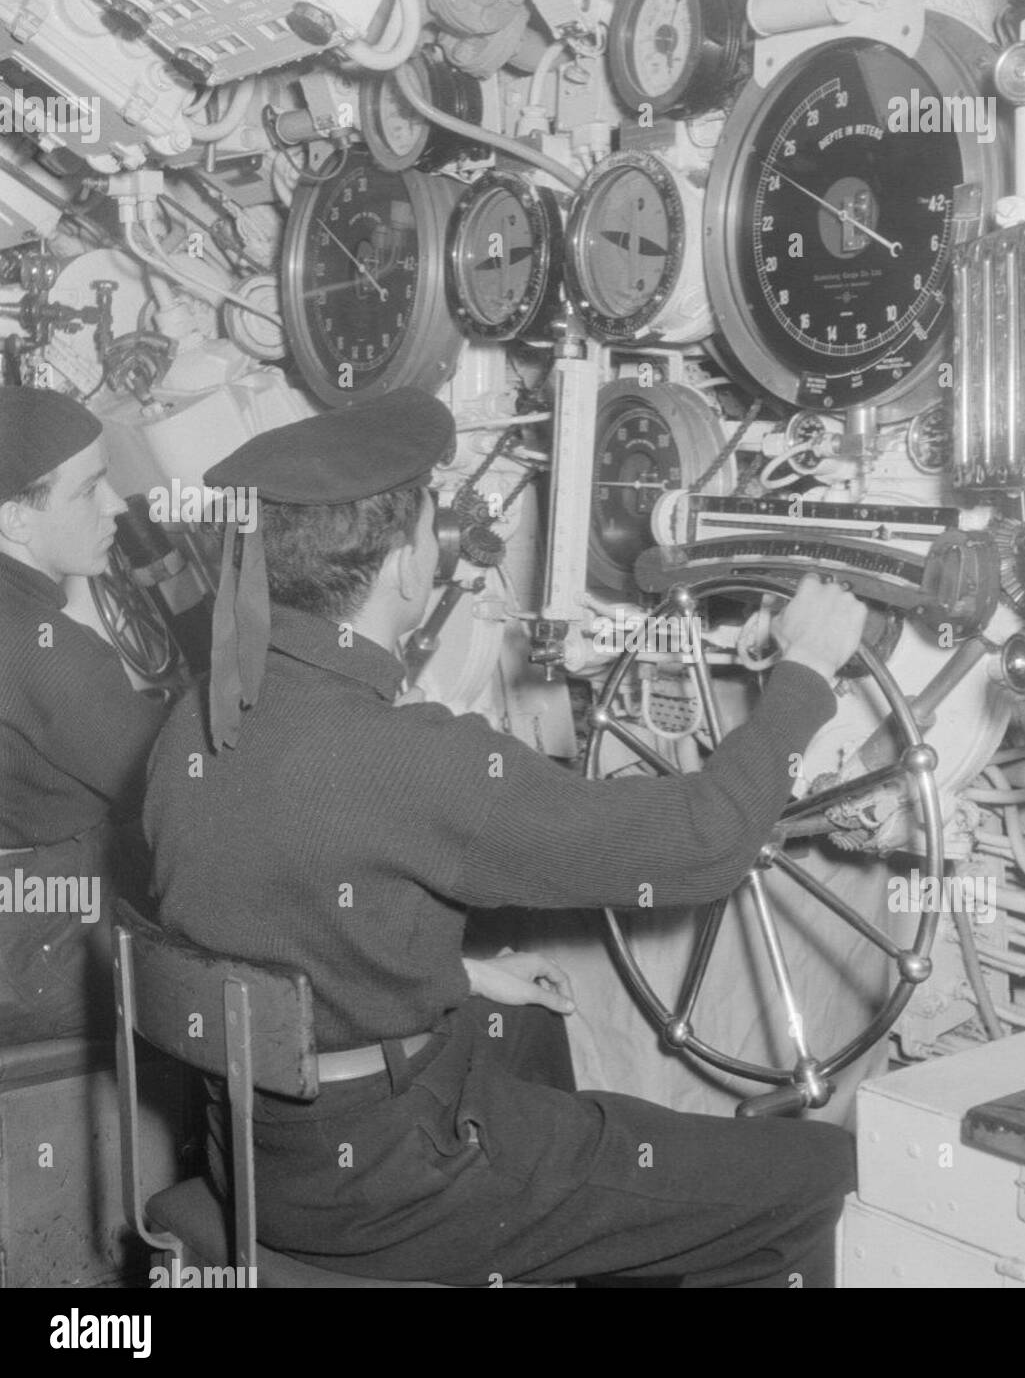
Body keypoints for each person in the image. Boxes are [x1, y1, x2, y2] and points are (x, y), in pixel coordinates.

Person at [144, 387, 864, 1287]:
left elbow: (272, 913)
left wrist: (463, 973)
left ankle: (573, 1230)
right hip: (392, 1184)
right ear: (411, 566)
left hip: (256, 1150)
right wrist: (804, 672)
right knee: (812, 1175)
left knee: (526, 1028)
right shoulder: (411, 759)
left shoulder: (193, 720)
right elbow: (703, 844)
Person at [0, 387, 169, 1043]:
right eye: (88, 490)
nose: (116, 506)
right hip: (37, 939)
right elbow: (178, 786)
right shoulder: (44, 654)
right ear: (16, 519)